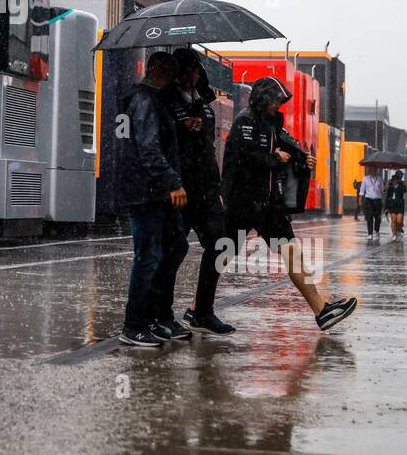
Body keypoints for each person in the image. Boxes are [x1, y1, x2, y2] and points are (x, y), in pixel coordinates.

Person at [221, 76, 357, 332]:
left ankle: (321, 310)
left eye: (280, 101)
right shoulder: (244, 121)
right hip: (243, 202)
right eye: (275, 100)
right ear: (262, 99)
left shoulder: (272, 123)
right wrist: (274, 158)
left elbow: (289, 146)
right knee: (222, 254)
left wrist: (303, 159)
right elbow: (245, 159)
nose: (278, 105)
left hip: (268, 205)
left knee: (292, 252)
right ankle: (198, 308)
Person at [115, 52, 190, 349]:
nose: (175, 77)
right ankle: (134, 325)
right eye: (171, 71)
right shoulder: (145, 100)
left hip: (148, 188)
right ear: (160, 70)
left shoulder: (142, 99)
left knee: (174, 246)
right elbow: (148, 148)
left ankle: (157, 316)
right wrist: (172, 182)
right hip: (146, 190)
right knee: (148, 255)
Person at [162, 48, 236, 336]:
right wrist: (180, 126)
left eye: (196, 71)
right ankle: (162, 314)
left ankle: (202, 312)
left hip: (206, 189)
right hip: (179, 188)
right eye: (188, 71)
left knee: (221, 243)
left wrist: (217, 188)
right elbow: (159, 142)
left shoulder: (205, 105)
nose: (192, 76)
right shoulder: (165, 101)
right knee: (172, 251)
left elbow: (210, 148)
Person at [359, 167, 384, 240]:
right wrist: (360, 200)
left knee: (377, 217)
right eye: (371, 170)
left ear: (376, 170)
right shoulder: (365, 179)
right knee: (369, 217)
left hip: (378, 199)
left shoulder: (380, 179)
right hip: (369, 200)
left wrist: (383, 188)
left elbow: (382, 190)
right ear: (370, 171)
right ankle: (370, 233)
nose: (373, 171)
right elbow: (362, 190)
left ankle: (377, 230)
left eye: (374, 170)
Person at [385, 170, 405, 239]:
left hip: (399, 206)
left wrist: (402, 183)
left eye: (396, 180)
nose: (395, 181)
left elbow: (404, 193)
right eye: (394, 180)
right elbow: (387, 197)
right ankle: (394, 235)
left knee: (399, 221)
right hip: (392, 205)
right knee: (393, 220)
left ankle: (398, 230)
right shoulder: (390, 188)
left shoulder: (401, 187)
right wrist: (386, 207)